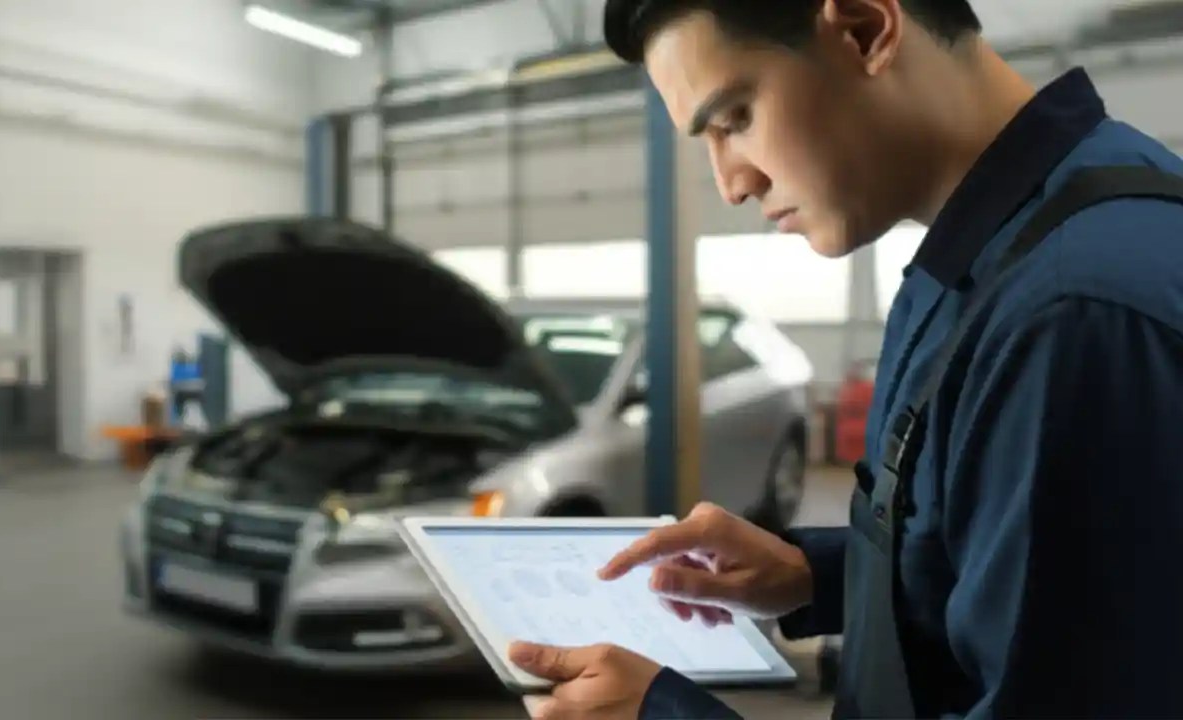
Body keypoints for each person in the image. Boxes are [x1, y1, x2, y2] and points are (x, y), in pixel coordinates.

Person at [506, 0, 1183, 718]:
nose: (734, 183)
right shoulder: (1005, 248)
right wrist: (820, 573)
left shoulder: (1071, 316)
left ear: (864, 30)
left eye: (735, 119)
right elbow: (1011, 576)